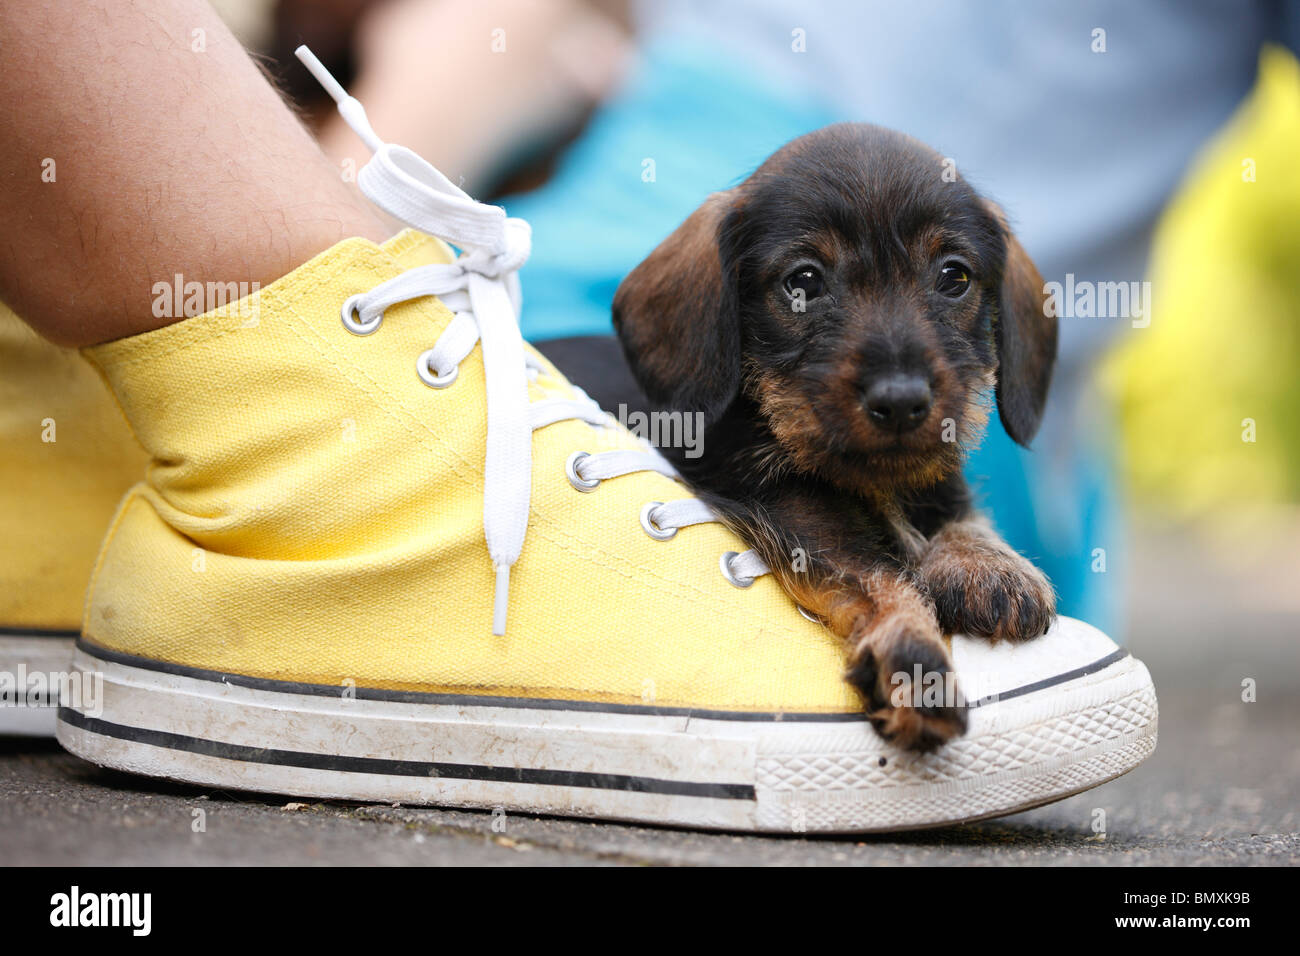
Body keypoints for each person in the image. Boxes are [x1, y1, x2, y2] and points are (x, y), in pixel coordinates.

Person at [0, 0, 1157, 832]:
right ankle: (231, 409)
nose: (901, 366)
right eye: (806, 286)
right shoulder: (696, 275)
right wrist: (347, 218)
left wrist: (962, 539)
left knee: (978, 550)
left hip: (595, 242)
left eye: (951, 282)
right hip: (553, 264)